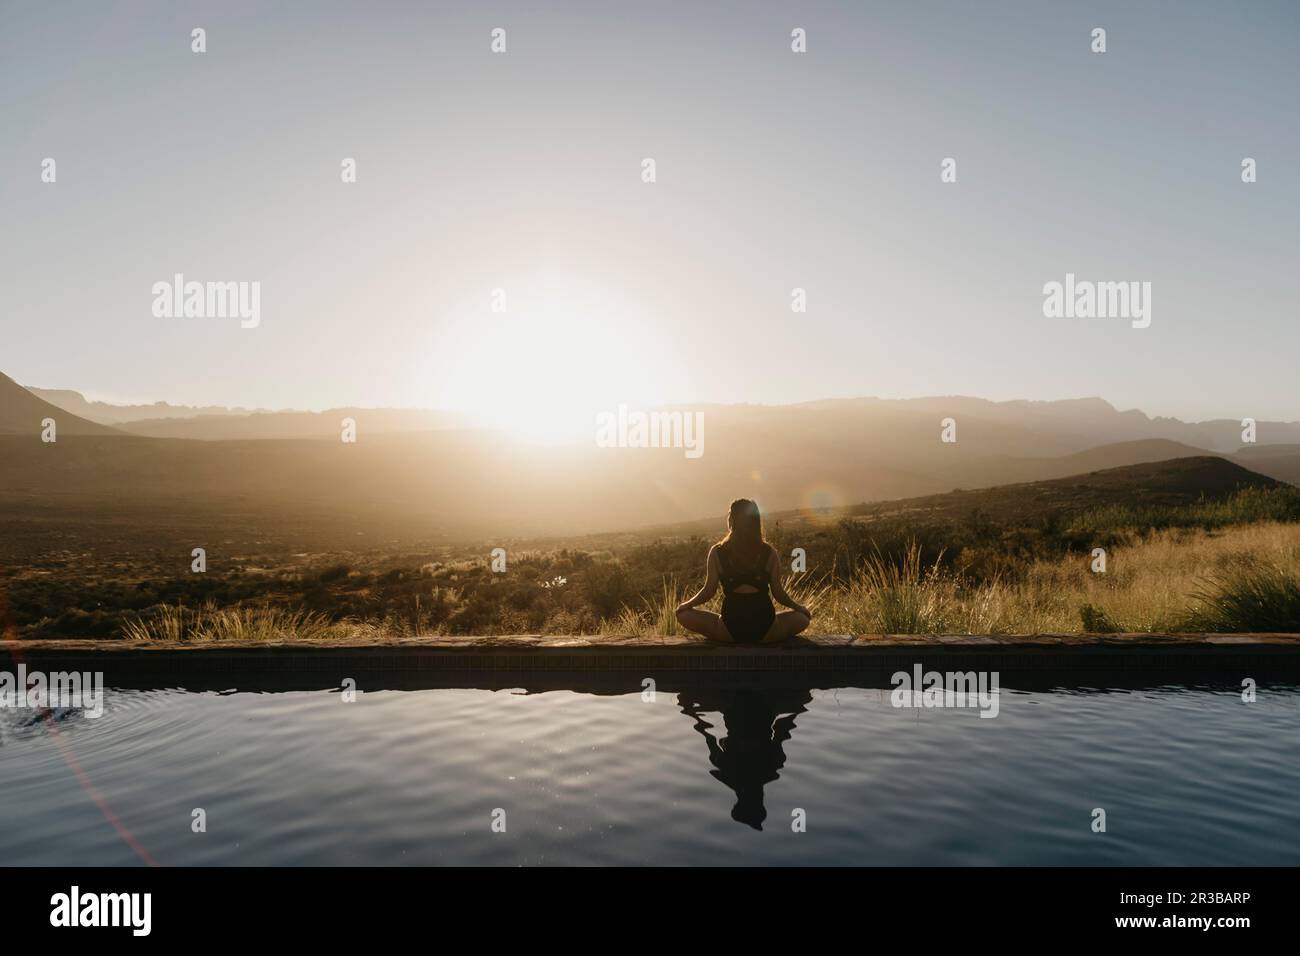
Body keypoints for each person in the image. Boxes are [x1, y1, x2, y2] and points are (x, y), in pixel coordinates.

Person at [674, 498, 812, 644]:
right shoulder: (768, 552)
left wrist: (687, 605)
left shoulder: (717, 552)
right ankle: (769, 632)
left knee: (683, 615)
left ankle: (724, 631)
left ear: (731, 520)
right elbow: (778, 593)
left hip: (730, 630)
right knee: (803, 618)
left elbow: (709, 591)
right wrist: (799, 608)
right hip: (767, 629)